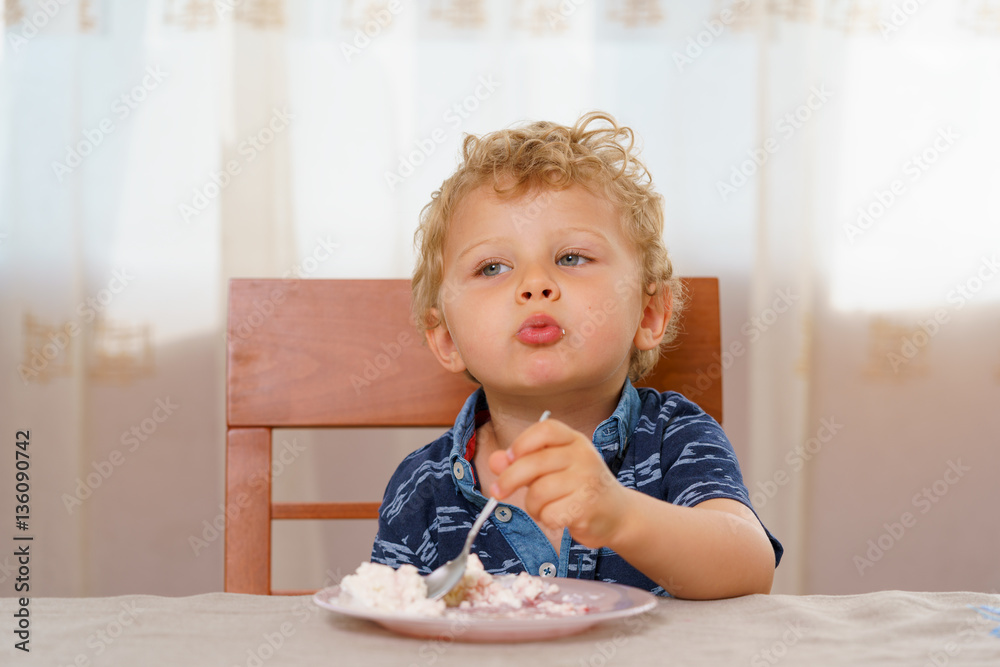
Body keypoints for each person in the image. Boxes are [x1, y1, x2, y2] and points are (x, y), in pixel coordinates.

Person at [370, 111, 782, 599]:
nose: (535, 284)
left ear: (649, 315)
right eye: (492, 267)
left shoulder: (675, 438)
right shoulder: (420, 487)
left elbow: (748, 566)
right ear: (446, 340)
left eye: (571, 258)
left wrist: (620, 515)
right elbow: (388, 621)